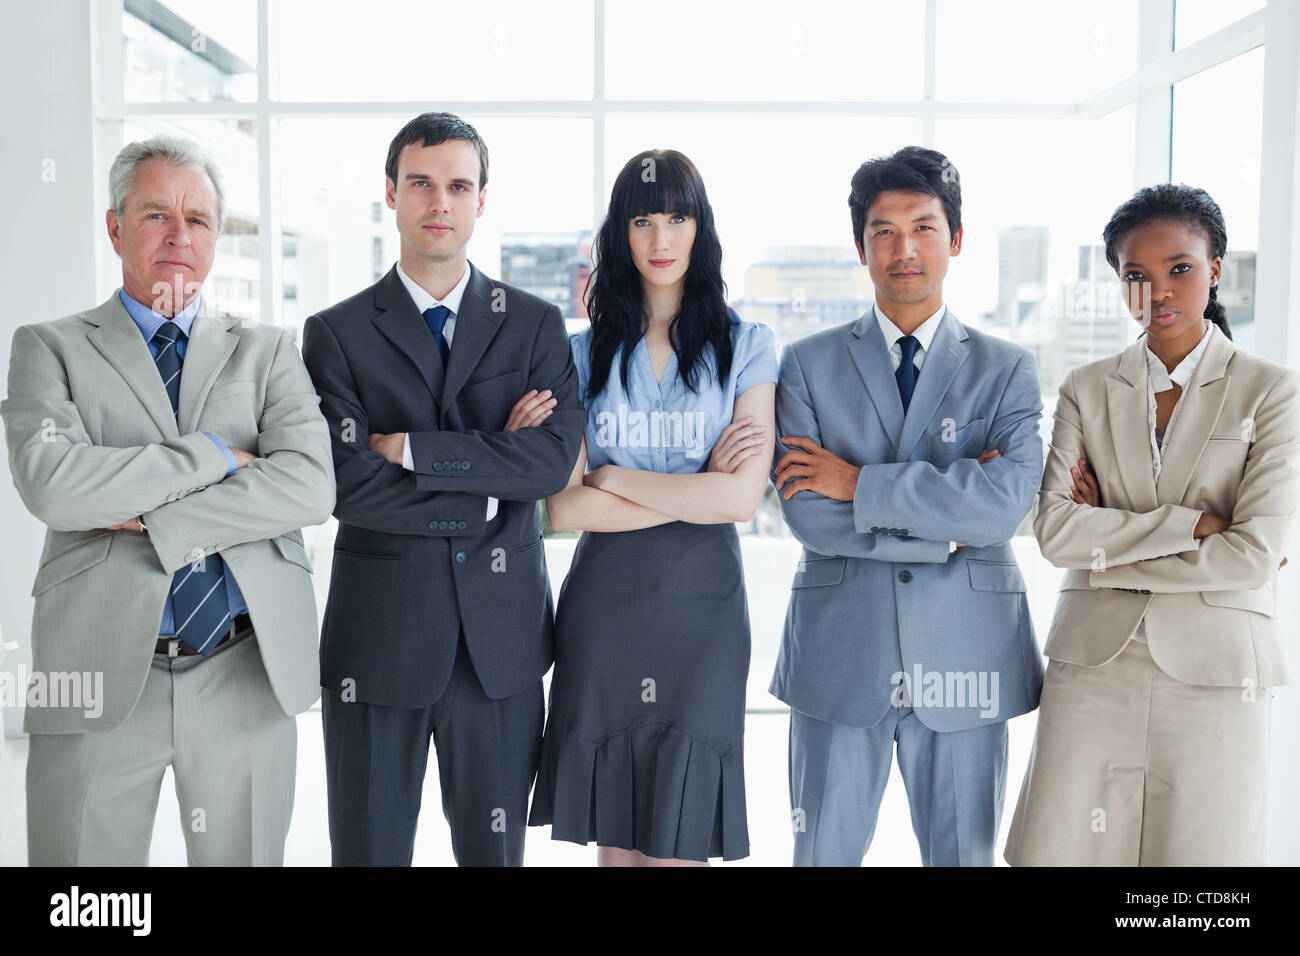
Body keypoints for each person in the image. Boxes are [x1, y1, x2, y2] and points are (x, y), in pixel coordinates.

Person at [1, 135, 335, 865]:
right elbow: (53, 486)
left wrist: (141, 511)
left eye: (200, 219)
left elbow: (310, 485)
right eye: (157, 214)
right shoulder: (48, 347)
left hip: (245, 668)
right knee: (82, 899)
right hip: (89, 669)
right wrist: (216, 455)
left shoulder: (268, 350)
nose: (180, 236)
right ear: (116, 226)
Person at [301, 112, 584, 866]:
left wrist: (415, 451)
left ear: (481, 201)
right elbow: (349, 484)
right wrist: (493, 486)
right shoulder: (336, 332)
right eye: (420, 183)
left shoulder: (533, 325)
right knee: (368, 853)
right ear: (390, 194)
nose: (440, 202)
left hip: (501, 651)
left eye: (459, 185)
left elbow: (551, 464)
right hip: (377, 644)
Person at [1004, 183, 1299, 866]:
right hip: (1093, 667)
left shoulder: (1271, 389)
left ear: (1216, 268)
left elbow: (1253, 556)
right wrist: (1193, 524)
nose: (1157, 292)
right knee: (1067, 850)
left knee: (1200, 873)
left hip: (1217, 673)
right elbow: (1055, 534)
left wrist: (1110, 534)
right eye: (1136, 275)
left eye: (1180, 269)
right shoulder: (1086, 386)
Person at [770, 146, 1044, 866]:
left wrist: (857, 483)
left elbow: (1004, 507)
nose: (904, 249)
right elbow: (807, 513)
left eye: (923, 227)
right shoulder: (805, 363)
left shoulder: (1007, 368)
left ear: (955, 240)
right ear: (860, 247)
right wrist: (948, 525)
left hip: (968, 657)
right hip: (840, 657)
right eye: (884, 231)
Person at [528, 149, 776, 865]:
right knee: (618, 837)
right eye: (643, 220)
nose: (661, 238)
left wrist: (612, 476)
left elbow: (738, 499)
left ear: (700, 228)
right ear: (620, 233)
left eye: (677, 217)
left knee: (679, 835)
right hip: (607, 610)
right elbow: (565, 511)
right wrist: (688, 489)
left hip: (705, 614)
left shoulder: (748, 347)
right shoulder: (579, 354)